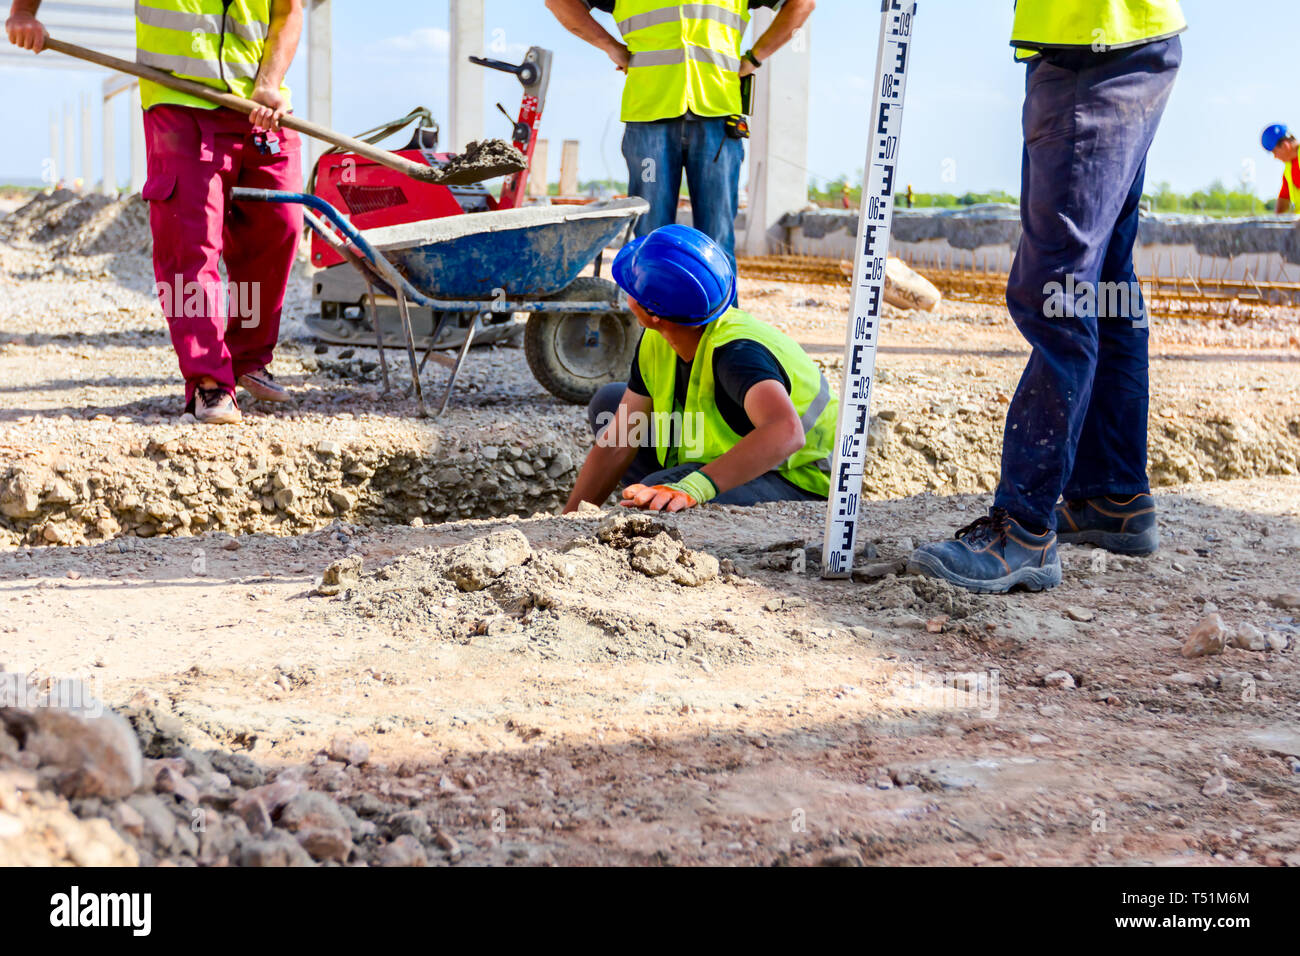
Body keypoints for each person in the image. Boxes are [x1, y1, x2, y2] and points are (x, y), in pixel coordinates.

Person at [909, 0, 1185, 593]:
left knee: (1055, 290)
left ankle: (1024, 530)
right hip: (1122, 44)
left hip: (1091, 50)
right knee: (1104, 283)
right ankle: (1109, 494)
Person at [5, 0, 304, 425]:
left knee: (278, 228)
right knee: (190, 243)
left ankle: (245, 357)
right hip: (181, 102)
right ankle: (209, 380)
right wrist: (23, 13)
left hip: (261, 109)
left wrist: (270, 81)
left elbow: (289, 11)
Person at [563, 224, 837, 513]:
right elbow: (617, 444)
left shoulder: (736, 354)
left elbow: (786, 431)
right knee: (609, 404)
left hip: (795, 479)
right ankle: (671, 484)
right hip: (729, 454)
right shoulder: (659, 337)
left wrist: (692, 488)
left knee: (656, 503)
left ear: (654, 314)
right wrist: (567, 520)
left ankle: (675, 489)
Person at [544, 0, 816, 274]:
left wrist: (755, 57)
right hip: (656, 115)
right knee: (654, 239)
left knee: (714, 243)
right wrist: (611, 46)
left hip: (712, 118)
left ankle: (717, 316)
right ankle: (652, 315)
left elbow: (802, 4)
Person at [1261, 124, 1300, 215]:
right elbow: (1284, 199)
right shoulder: (1288, 168)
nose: (1275, 157)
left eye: (1274, 152)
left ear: (1285, 145)